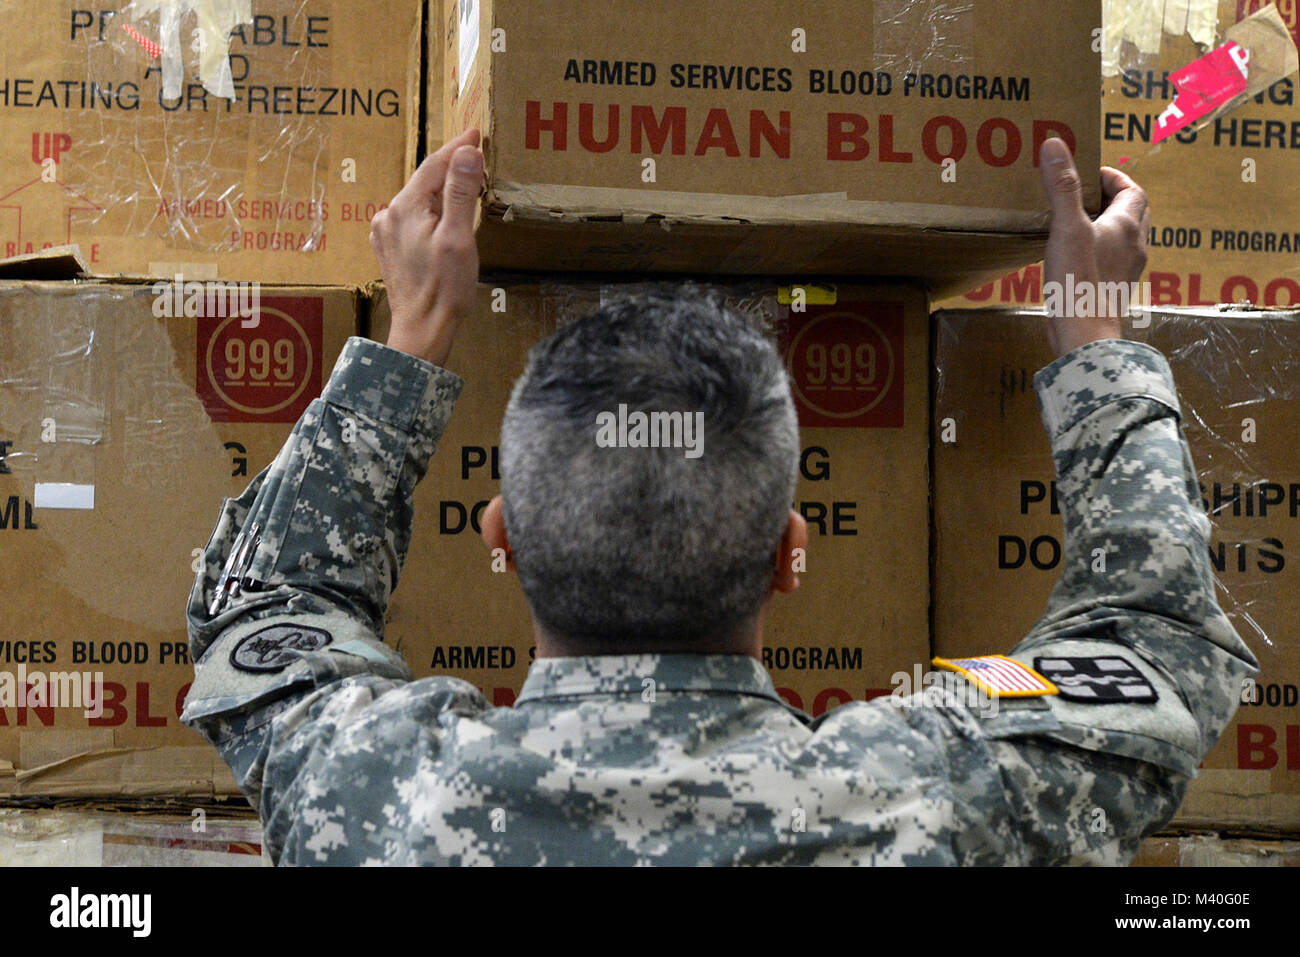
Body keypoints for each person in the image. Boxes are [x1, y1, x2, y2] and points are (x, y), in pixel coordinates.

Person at [181, 129, 1257, 865]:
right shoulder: (928, 795)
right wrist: (1091, 336)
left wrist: (407, 333)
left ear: (500, 536)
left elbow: (266, 608)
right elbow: (1157, 644)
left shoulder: (374, 791)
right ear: (793, 553)